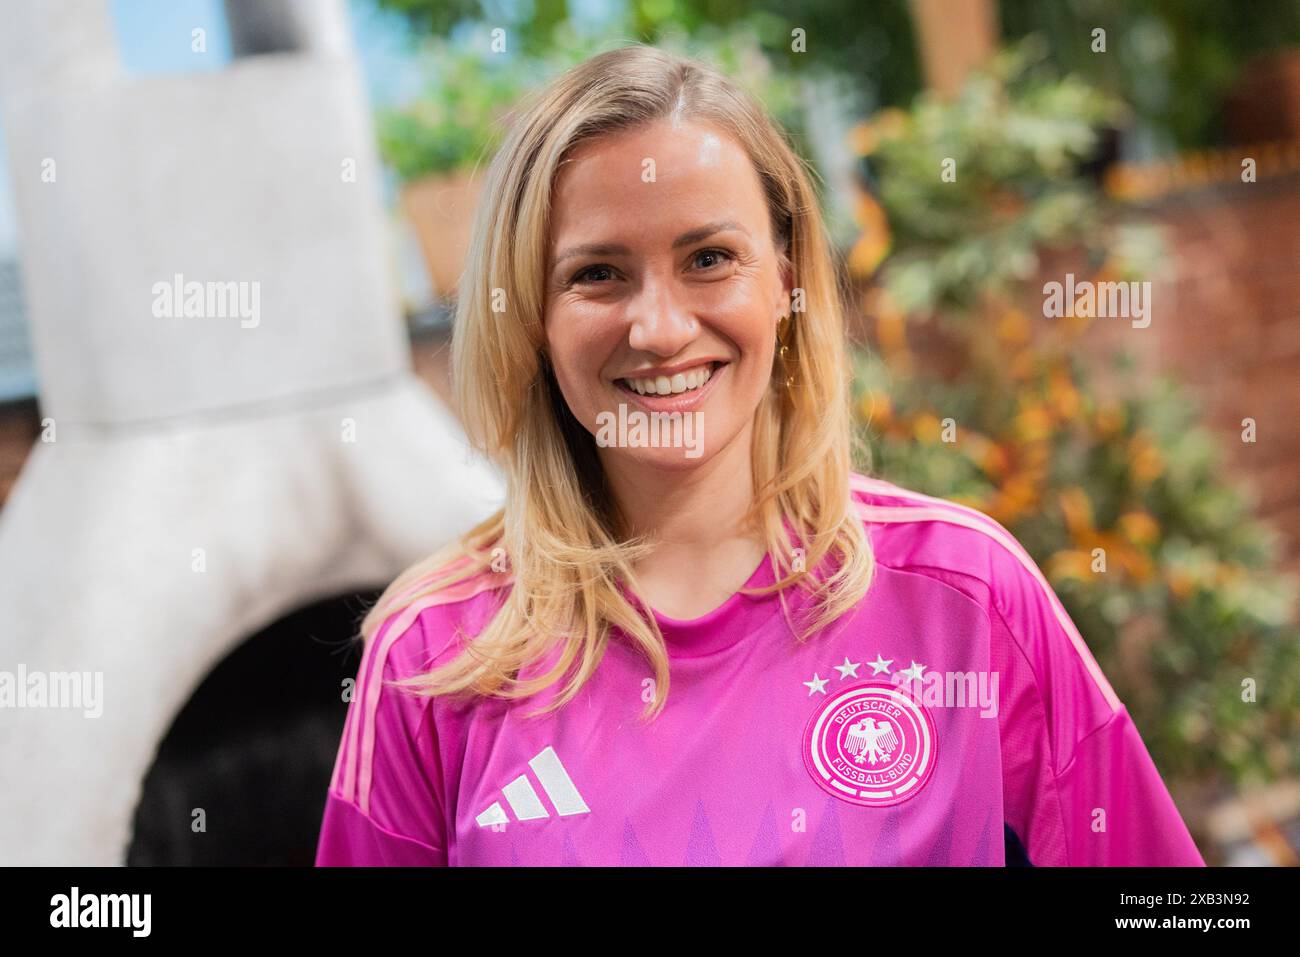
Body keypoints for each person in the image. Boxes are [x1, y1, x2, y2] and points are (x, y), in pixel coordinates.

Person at [314, 43, 1205, 867]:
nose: (659, 329)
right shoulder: (431, 658)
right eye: (597, 274)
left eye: (709, 257)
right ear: (530, 317)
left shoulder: (966, 594)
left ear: (786, 281)